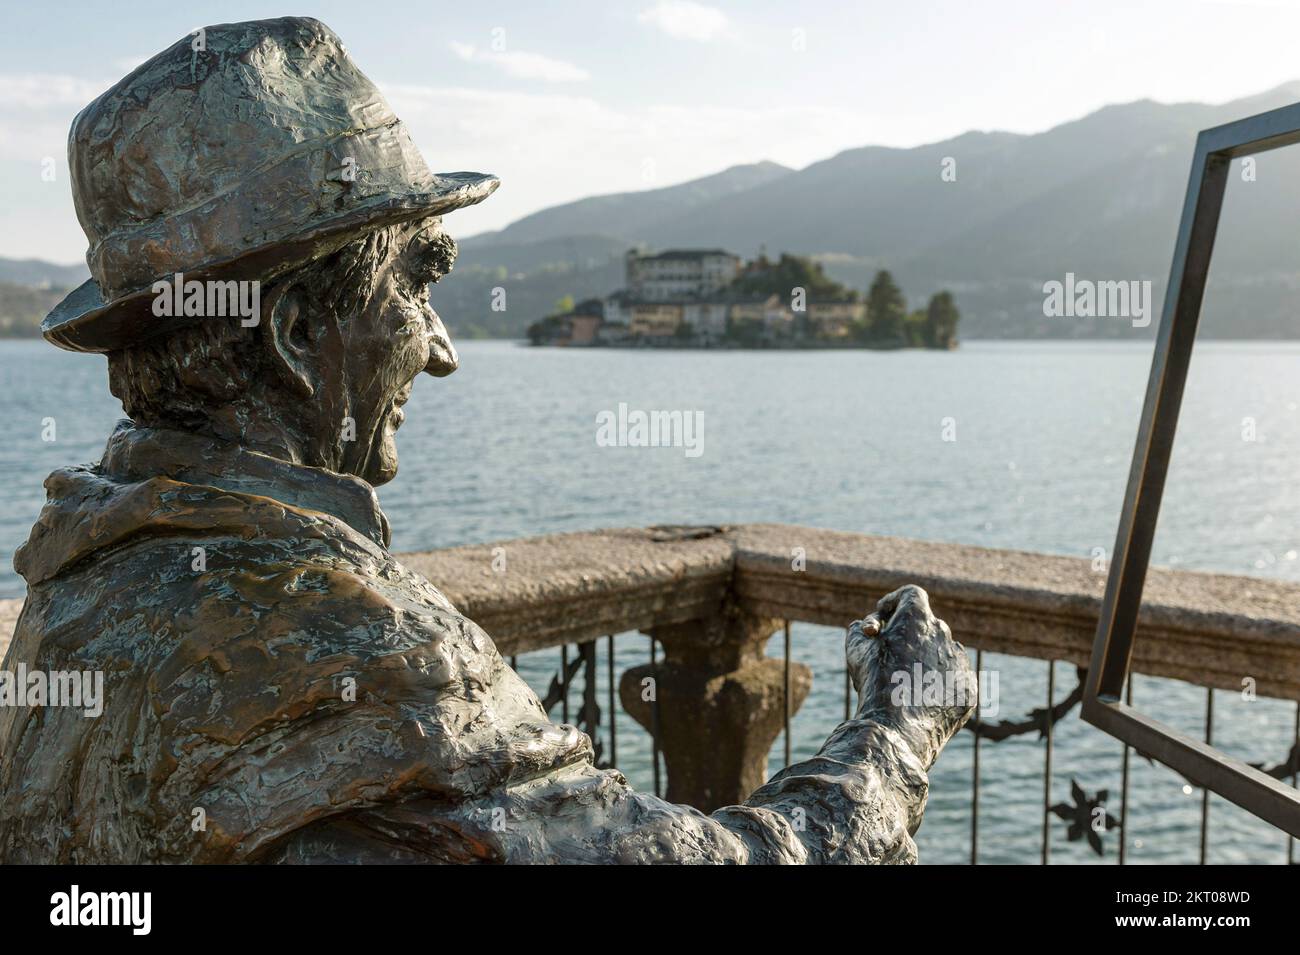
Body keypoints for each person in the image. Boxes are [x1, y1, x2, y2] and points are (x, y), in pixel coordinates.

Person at [0, 17, 973, 864]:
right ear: (299, 335)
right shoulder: (367, 661)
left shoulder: (75, 591)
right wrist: (899, 727)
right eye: (416, 285)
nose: (440, 348)